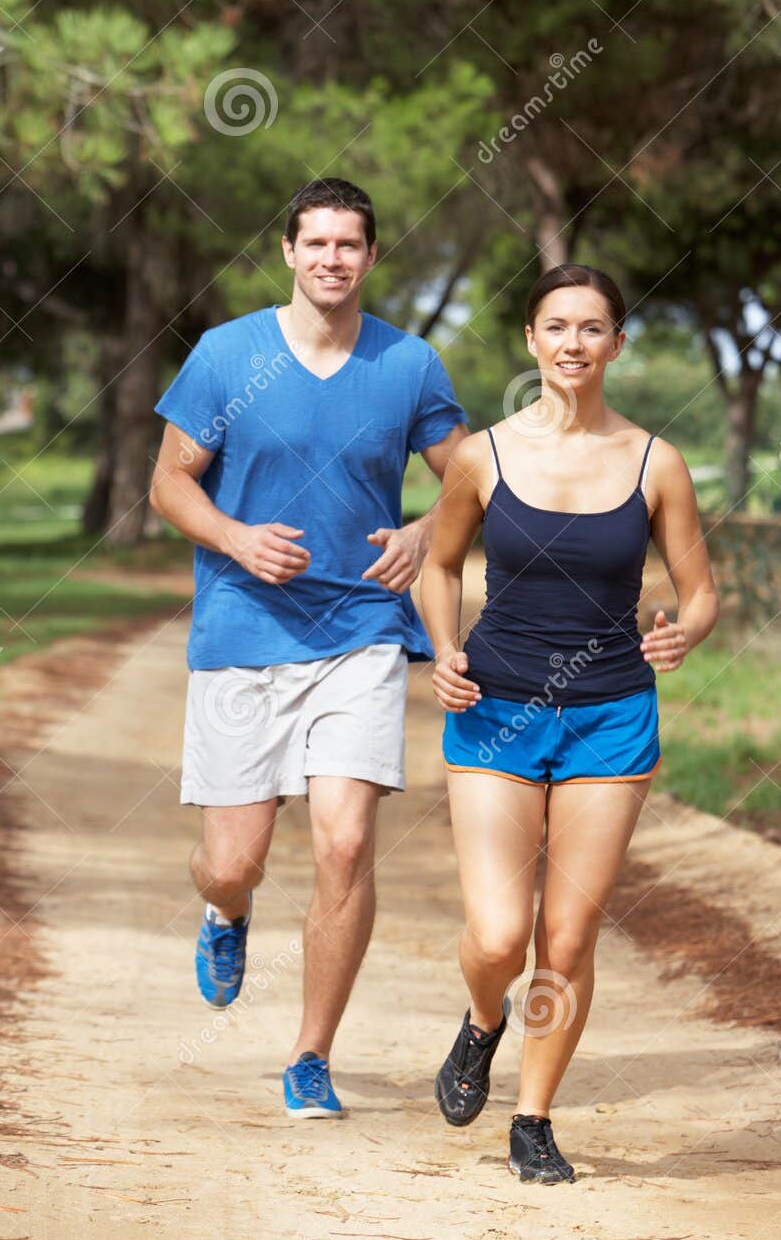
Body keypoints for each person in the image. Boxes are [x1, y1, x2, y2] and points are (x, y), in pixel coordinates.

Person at [149, 177, 468, 1118]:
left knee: (344, 841)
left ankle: (311, 1054)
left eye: (350, 244)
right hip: (244, 633)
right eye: (315, 243)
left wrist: (421, 534)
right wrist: (236, 538)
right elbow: (169, 484)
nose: (332, 258)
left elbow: (473, 479)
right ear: (288, 252)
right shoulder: (224, 354)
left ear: (371, 257)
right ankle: (225, 912)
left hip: (361, 635)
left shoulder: (408, 365)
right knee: (234, 858)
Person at [419, 263, 719, 1182]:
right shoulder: (484, 456)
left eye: (592, 329)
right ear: (531, 342)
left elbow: (701, 592)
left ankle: (534, 1118)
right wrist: (443, 650)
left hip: (611, 718)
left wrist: (682, 637)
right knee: (500, 937)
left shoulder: (652, 461)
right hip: (495, 712)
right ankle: (482, 1021)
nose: (573, 344)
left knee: (569, 939)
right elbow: (437, 568)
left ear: (617, 345)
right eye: (556, 327)